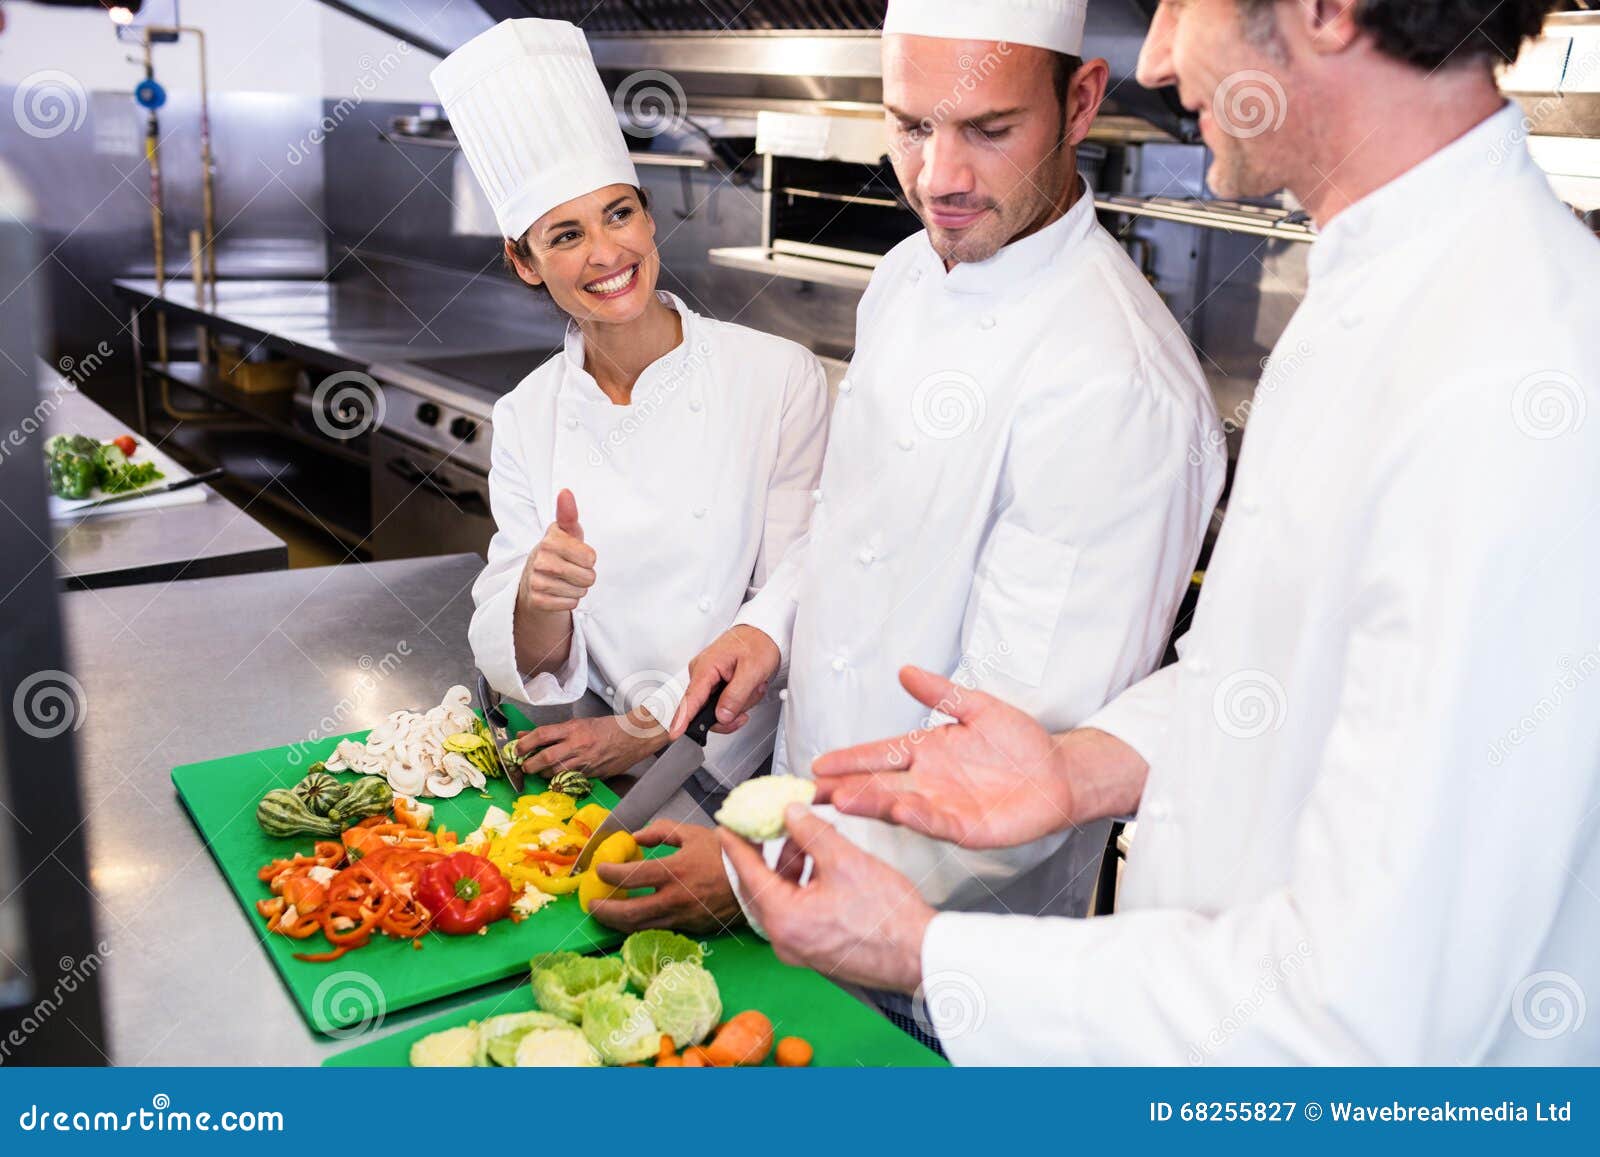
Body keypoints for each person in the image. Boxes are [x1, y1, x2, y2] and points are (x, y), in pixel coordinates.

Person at [722, 0, 1600, 1065]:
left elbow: (1368, 1010)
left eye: (1185, 0)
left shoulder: (1513, 370)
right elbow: (1274, 669)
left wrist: (930, 952)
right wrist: (1084, 764)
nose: (1157, 52)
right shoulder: (1376, 290)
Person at [620, 0, 1225, 998]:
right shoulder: (905, 273)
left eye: (989, 130)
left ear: (1079, 102)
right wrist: (769, 624)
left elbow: (1010, 755)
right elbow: (858, 518)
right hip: (799, 832)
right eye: (908, 124)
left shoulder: (1113, 385)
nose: (939, 179)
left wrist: (754, 868)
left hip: (947, 942)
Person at [442, 19, 828, 894]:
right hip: (587, 779)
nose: (608, 253)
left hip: (740, 783)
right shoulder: (528, 415)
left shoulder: (776, 379)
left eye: (620, 214)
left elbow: (793, 590)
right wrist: (541, 597)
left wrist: (653, 728)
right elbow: (530, 655)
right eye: (566, 234)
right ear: (525, 261)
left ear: (650, 217)